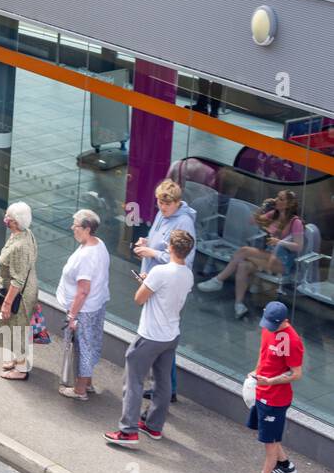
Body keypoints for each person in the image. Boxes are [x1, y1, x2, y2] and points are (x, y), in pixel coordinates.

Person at [104, 230, 196, 446]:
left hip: (150, 335)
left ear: (171, 248)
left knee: (133, 381)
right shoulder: (188, 274)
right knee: (163, 383)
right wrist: (150, 282)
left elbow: (139, 299)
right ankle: (154, 426)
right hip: (171, 335)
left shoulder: (160, 272)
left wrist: (147, 282)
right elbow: (167, 293)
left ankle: (128, 431)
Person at [134, 179, 197, 402]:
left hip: (167, 284)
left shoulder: (184, 223)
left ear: (177, 202)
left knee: (162, 336)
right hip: (154, 279)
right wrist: (146, 243)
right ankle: (164, 387)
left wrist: (152, 253)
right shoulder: (164, 214)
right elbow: (159, 240)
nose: (161, 208)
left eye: (166, 205)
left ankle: (165, 388)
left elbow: (182, 260)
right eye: (159, 203)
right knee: (161, 336)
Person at [198, 190, 303, 319]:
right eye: (277, 197)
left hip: (281, 262)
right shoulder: (274, 214)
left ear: (288, 204)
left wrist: (280, 242)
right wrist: (264, 207)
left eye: (281, 199)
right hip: (268, 256)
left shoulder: (295, 222)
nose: (277, 200)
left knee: (244, 251)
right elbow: (252, 221)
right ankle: (239, 305)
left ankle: (218, 280)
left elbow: (298, 246)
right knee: (243, 265)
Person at [247, 302, 303, 473]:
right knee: (269, 435)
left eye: (273, 325)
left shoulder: (293, 341)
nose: (269, 327)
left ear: (284, 321)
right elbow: (264, 356)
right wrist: (255, 372)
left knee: (269, 444)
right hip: (261, 391)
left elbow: (296, 373)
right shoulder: (267, 328)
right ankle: (285, 465)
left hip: (276, 399)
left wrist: (270, 381)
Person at [56, 209, 110, 401]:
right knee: (91, 343)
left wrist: (72, 315)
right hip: (96, 304)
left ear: (87, 229)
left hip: (84, 310)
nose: (73, 228)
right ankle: (87, 383)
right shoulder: (99, 244)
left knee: (83, 347)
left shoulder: (87, 255)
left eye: (76, 225)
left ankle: (80, 390)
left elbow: (83, 291)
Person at [0, 201, 37, 381]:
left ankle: (21, 369)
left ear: (16, 222)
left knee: (15, 329)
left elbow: (17, 279)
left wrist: (6, 304)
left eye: (8, 218)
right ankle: (17, 360)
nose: (5, 220)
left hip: (17, 294)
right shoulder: (26, 234)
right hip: (24, 289)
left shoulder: (20, 247)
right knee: (14, 327)